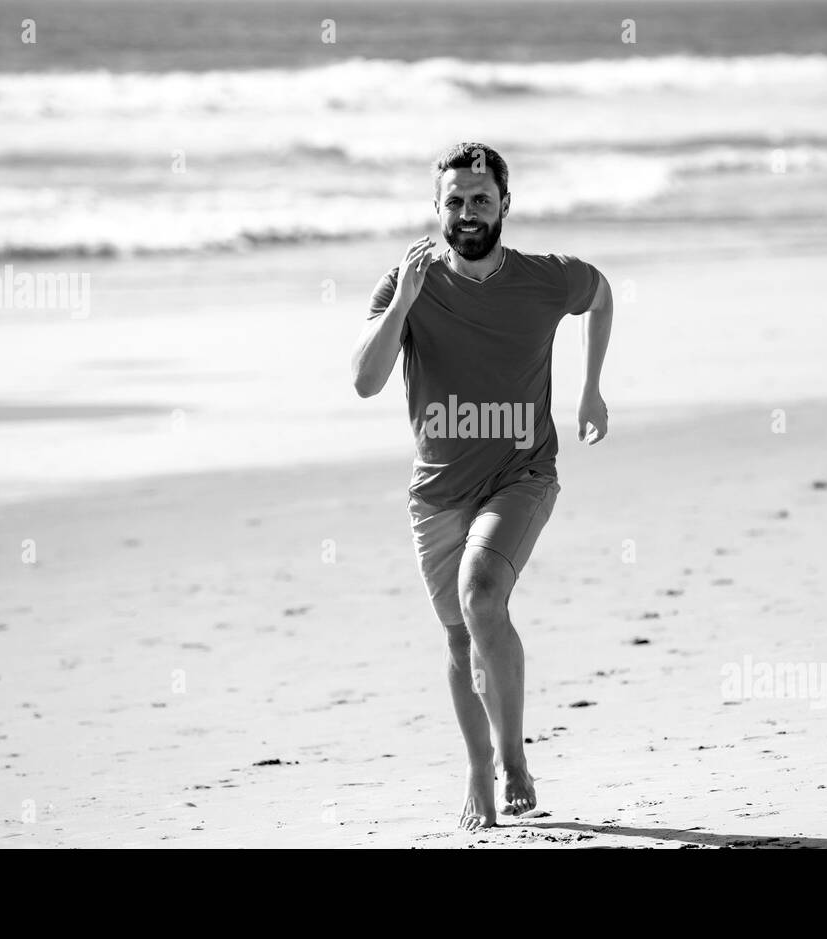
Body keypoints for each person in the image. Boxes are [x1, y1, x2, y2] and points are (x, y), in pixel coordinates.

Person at [351, 142, 614, 831]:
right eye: (456, 201)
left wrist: (590, 392)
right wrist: (403, 303)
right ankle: (477, 767)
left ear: (505, 205)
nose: (468, 213)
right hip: (438, 491)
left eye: (481, 200)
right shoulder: (406, 282)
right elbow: (364, 380)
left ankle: (514, 756)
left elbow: (602, 293)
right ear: (437, 208)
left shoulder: (543, 280)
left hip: (521, 475)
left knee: (481, 592)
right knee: (461, 638)